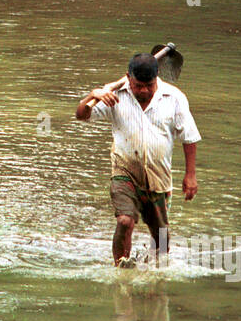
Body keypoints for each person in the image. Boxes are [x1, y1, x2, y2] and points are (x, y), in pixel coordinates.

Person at [75, 52, 200, 267]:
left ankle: (155, 276)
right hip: (125, 171)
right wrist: (93, 94)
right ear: (128, 78)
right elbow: (81, 115)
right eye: (138, 85)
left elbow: (189, 138)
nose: (143, 91)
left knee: (161, 239)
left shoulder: (174, 98)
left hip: (158, 176)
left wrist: (190, 175)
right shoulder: (114, 96)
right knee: (125, 221)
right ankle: (121, 270)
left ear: (157, 78)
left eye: (149, 85)